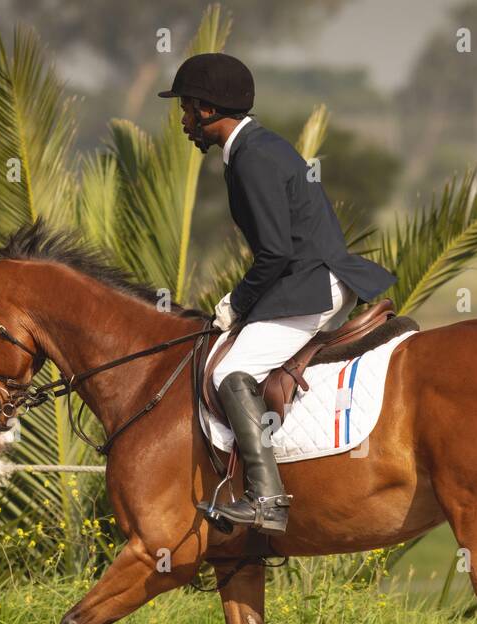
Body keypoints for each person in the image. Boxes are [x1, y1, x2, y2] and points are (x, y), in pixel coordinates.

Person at [158, 52, 396, 535]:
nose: (183, 121)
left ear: (208, 109)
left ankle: (266, 498)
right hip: (307, 277)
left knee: (229, 369)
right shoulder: (253, 149)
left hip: (310, 282)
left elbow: (273, 252)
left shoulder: (253, 157)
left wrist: (236, 304)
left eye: (186, 109)